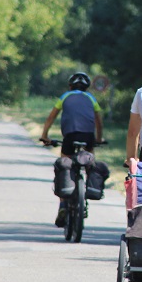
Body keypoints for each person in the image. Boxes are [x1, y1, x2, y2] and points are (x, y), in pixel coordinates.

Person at [40, 72, 104, 227]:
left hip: (69, 136)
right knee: (90, 159)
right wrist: (98, 139)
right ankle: (89, 185)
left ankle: (63, 205)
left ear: (70, 86)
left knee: (65, 164)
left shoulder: (64, 97)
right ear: (87, 88)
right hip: (88, 136)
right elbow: (98, 121)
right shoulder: (91, 98)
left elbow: (51, 117)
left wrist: (45, 135)